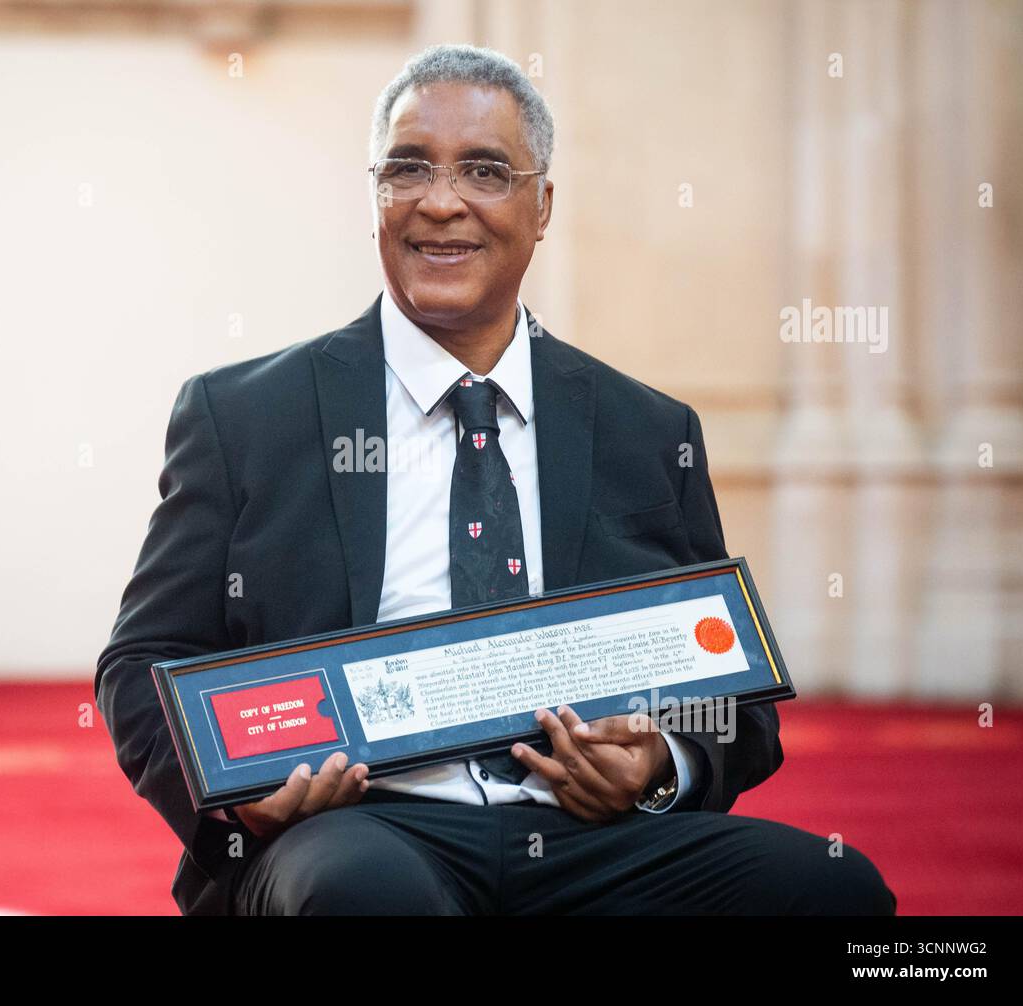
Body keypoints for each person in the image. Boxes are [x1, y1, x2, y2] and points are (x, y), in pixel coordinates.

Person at [96, 43, 896, 916]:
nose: (441, 203)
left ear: (542, 203)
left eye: (484, 170)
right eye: (408, 170)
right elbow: (142, 661)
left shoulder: (648, 432)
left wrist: (663, 761)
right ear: (376, 197)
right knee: (365, 895)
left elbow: (732, 699)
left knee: (833, 890)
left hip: (598, 841)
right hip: (364, 828)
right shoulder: (246, 416)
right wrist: (236, 799)